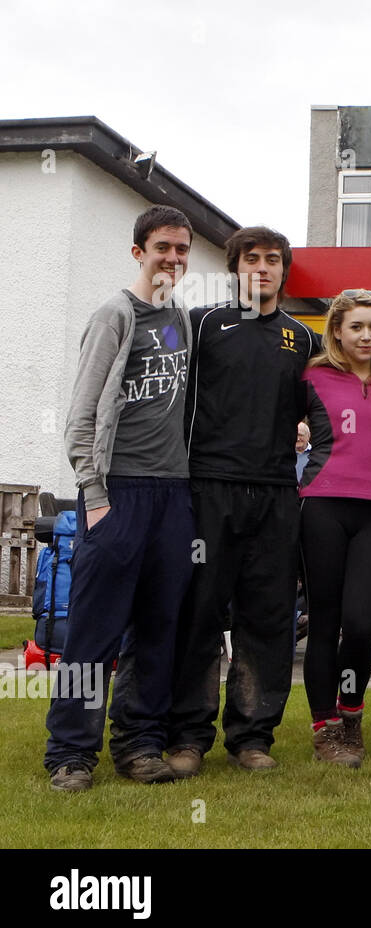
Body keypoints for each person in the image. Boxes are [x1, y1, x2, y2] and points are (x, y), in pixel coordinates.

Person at [45, 205, 196, 791]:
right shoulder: (115, 314)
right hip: (117, 492)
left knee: (159, 626)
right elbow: (81, 417)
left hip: (172, 495)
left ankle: (139, 744)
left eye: (182, 250)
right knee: (94, 628)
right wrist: (94, 492)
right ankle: (70, 754)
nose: (174, 258)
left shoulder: (180, 319)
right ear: (139, 252)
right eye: (163, 247)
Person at [165, 226, 317, 776]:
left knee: (269, 618)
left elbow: (317, 410)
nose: (262, 268)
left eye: (272, 260)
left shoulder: (301, 338)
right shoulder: (203, 324)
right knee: (200, 612)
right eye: (251, 258)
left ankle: (253, 736)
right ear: (235, 268)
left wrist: (303, 426)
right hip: (209, 487)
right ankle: (186, 736)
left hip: (277, 494)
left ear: (284, 270)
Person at [299, 290, 371, 767]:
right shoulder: (311, 374)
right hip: (321, 506)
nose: (366, 335)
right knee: (324, 622)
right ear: (337, 330)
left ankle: (352, 714)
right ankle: (325, 728)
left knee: (361, 624)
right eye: (356, 327)